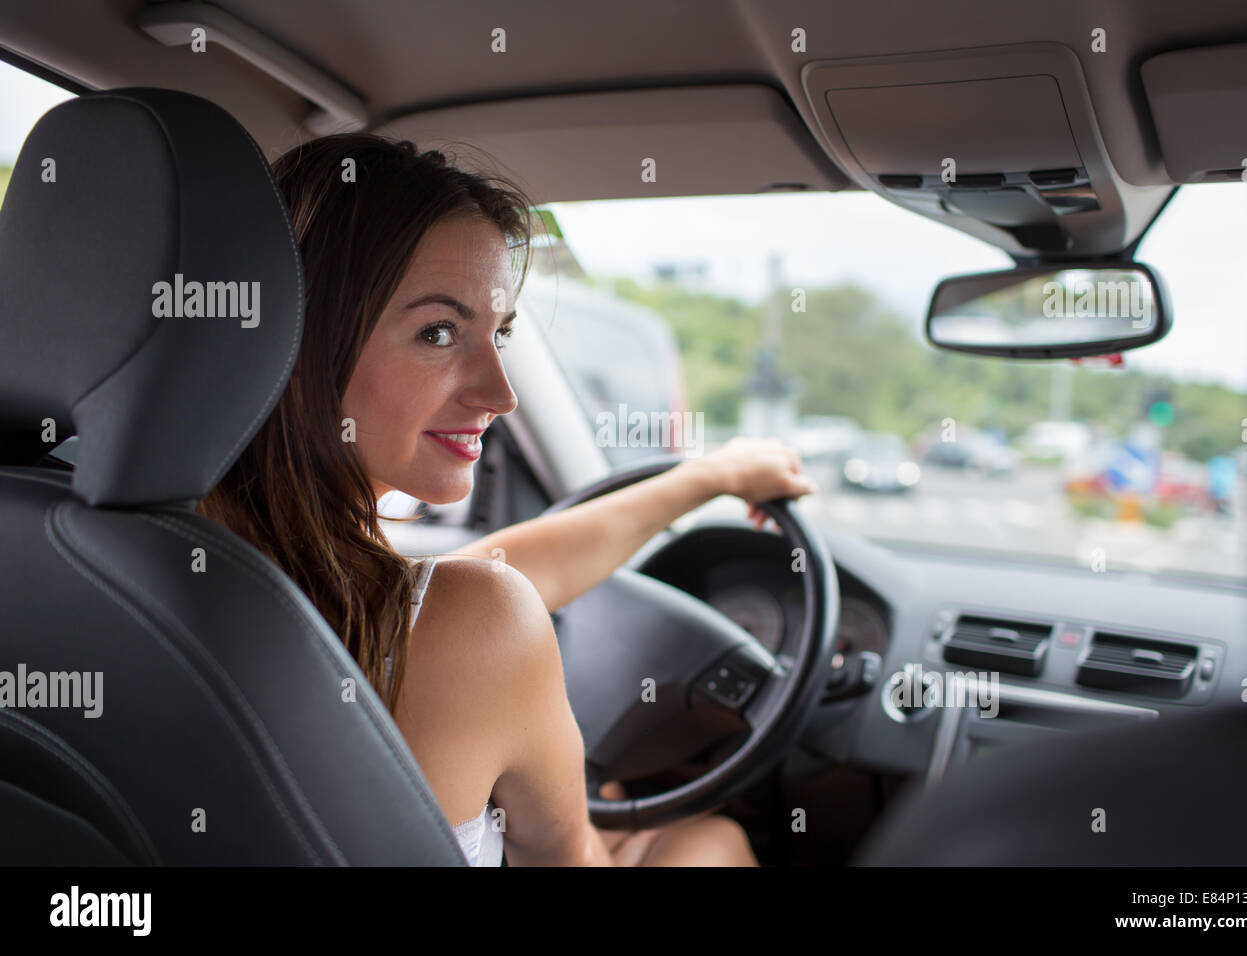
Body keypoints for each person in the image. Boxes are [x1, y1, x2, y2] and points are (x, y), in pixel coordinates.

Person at [199, 133, 818, 866]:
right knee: (709, 839)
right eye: (438, 332)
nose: (501, 393)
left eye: (499, 334)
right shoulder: (475, 622)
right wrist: (601, 822)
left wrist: (701, 481)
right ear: (295, 339)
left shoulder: (113, 549)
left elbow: (460, 588)